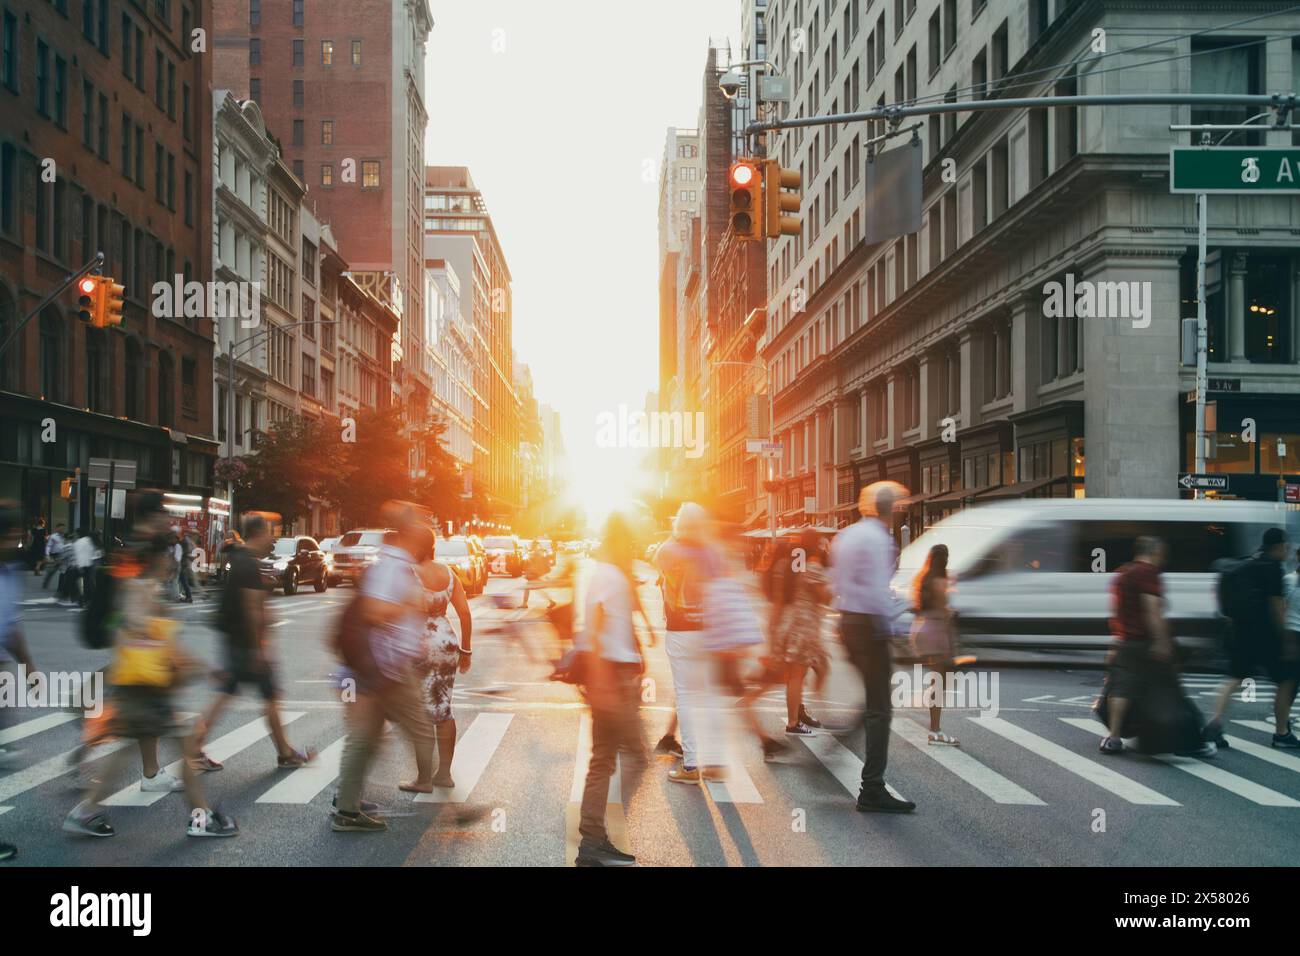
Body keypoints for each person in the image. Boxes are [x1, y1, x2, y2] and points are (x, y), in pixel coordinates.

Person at [64, 492, 237, 839]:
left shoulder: (141, 569)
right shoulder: (137, 566)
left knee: (141, 741)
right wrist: (195, 666)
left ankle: (93, 805)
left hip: (144, 679)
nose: (173, 563)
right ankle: (198, 817)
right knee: (178, 741)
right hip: (145, 680)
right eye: (168, 557)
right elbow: (143, 629)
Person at [332, 503, 439, 833]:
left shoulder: (393, 563)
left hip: (378, 664)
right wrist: (409, 604)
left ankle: (348, 804)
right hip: (385, 666)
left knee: (367, 736)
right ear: (413, 537)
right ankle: (439, 803)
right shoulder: (393, 566)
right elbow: (374, 611)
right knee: (416, 728)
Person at [191, 514, 314, 771]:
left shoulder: (242, 560)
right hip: (247, 645)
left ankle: (283, 751)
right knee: (264, 696)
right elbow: (251, 609)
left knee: (233, 694)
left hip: (238, 641)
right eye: (270, 532)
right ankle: (284, 753)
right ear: (259, 533)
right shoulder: (247, 564)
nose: (273, 538)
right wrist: (259, 648)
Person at [830, 481, 915, 813]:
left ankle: (832, 747)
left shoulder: (847, 535)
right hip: (869, 626)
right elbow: (880, 593)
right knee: (880, 709)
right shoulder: (881, 540)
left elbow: (835, 583)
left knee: (871, 701)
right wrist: (895, 631)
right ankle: (873, 789)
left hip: (848, 622)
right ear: (890, 510)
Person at [574, 513, 648, 866]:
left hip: (617, 676)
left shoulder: (611, 574)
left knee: (604, 759)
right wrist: (600, 681)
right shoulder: (608, 574)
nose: (634, 547)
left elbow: (613, 624)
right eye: (631, 540)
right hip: (613, 680)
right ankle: (597, 836)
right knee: (632, 757)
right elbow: (596, 627)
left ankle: (594, 839)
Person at [1204, 528, 1300, 750]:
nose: (1287, 551)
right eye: (1286, 547)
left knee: (1234, 677)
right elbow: (1276, 608)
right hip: (1266, 637)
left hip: (1242, 632)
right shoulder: (1273, 569)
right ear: (1278, 547)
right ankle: (1281, 732)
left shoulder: (1249, 564)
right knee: (1288, 679)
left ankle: (1214, 723)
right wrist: (1285, 640)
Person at [654, 502, 724, 784]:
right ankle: (717, 762)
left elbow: (659, 564)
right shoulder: (711, 553)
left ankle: (691, 766)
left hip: (681, 631)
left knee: (686, 698)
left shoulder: (668, 550)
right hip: (708, 632)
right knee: (709, 696)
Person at [399, 527, 473, 793]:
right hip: (447, 642)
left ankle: (423, 778)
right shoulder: (448, 573)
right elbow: (464, 613)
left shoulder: (408, 572)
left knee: (419, 712)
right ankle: (444, 774)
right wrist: (465, 651)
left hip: (418, 643)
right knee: (443, 708)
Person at [768, 529, 831, 736]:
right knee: (798, 674)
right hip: (803, 629)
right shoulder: (812, 567)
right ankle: (793, 722)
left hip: (791, 624)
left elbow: (778, 597)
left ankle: (799, 712)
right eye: (821, 544)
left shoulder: (789, 565)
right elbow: (826, 597)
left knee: (800, 673)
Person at [1, 502, 35, 860]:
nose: (18, 541)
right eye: (12, 535)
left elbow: (10, 627)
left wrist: (28, 669)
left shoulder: (10, 572)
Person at [910, 544, 959, 746]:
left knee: (938, 682)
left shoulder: (925, 579)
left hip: (925, 630)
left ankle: (935, 727)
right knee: (940, 684)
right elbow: (944, 611)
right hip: (938, 633)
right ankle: (935, 730)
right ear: (945, 560)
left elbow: (920, 608)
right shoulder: (940, 582)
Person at [72, 528, 97, 608]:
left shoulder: (76, 543)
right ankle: (87, 599)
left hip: (78, 565)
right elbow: (92, 552)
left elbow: (75, 554)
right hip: (88, 564)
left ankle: (80, 599)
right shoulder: (89, 541)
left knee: (79, 583)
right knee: (88, 583)